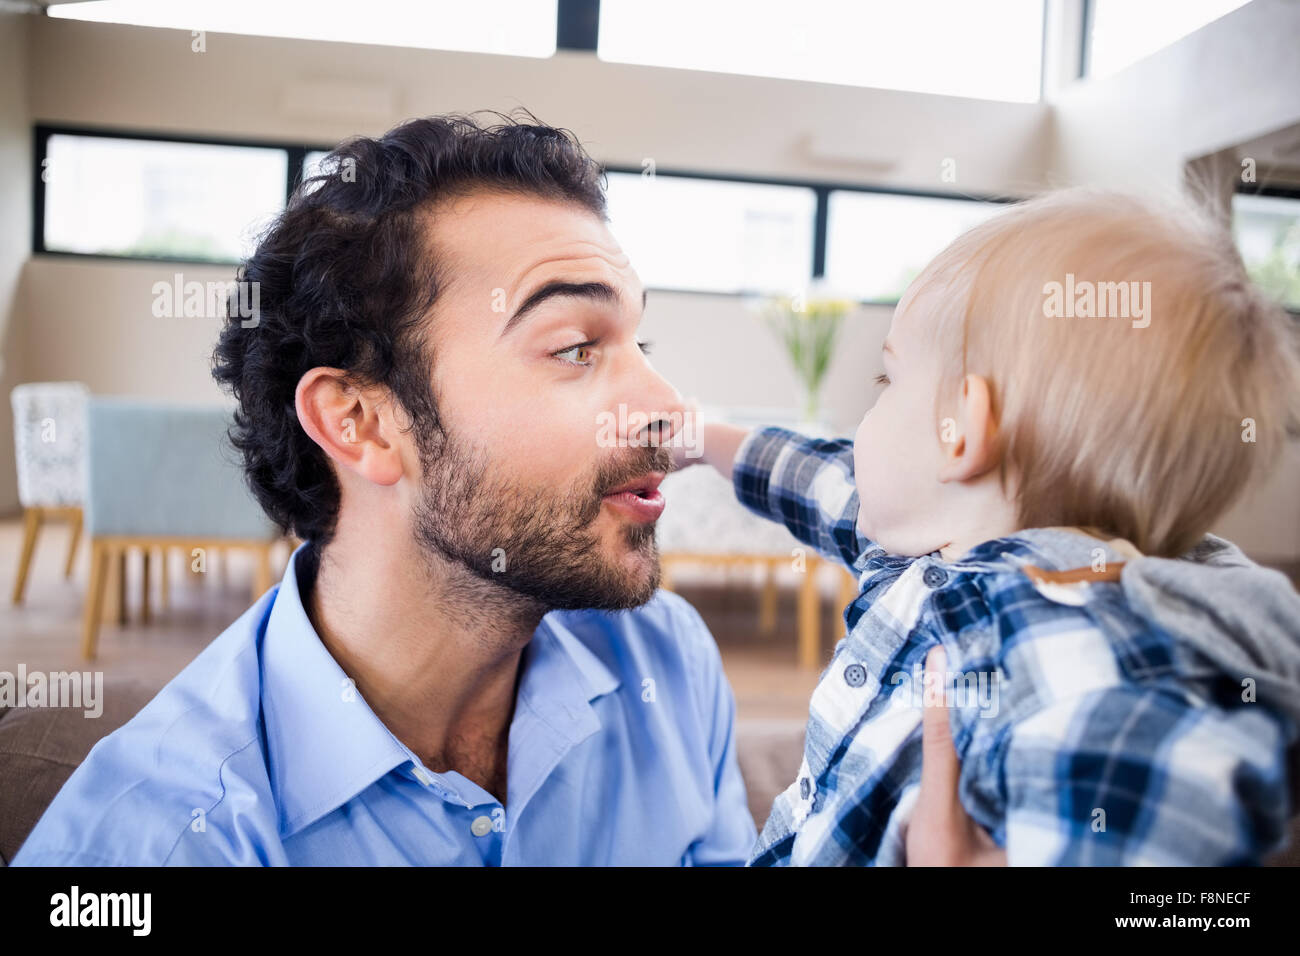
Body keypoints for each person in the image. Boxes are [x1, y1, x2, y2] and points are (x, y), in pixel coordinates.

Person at [14, 113, 757, 865]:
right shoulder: (165, 842)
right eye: (574, 348)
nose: (669, 410)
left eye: (640, 344)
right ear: (361, 423)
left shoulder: (666, 662)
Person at [683, 188, 1300, 865]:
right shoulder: (941, 543)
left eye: (885, 380)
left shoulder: (1070, 640)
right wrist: (703, 437)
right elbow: (820, 481)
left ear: (963, 433)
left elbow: (1163, 820)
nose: (867, 415)